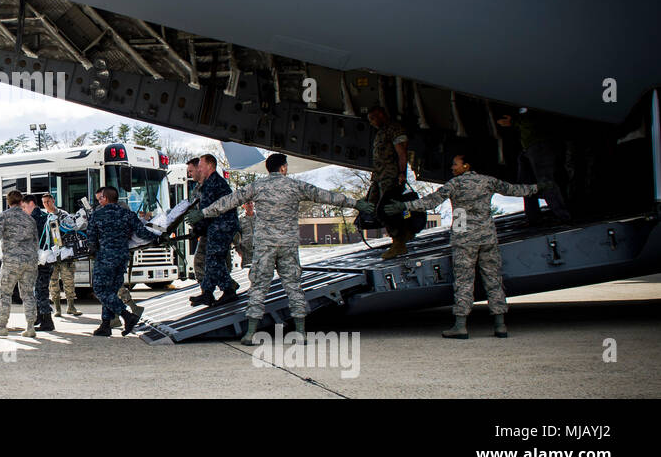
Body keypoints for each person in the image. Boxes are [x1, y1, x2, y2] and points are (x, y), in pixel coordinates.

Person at [201, 154, 376, 344]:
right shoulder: (295, 186)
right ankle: (300, 332)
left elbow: (228, 201)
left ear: (268, 169)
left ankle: (251, 333)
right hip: (288, 245)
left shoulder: (257, 187)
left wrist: (202, 213)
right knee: (294, 287)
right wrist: (356, 203)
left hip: (265, 246)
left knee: (258, 288)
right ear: (283, 168)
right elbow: (326, 196)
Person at [384, 154, 538, 339]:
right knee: (494, 280)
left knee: (464, 282)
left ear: (466, 165)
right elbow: (514, 190)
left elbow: (430, 201)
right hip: (488, 237)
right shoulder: (488, 182)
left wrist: (404, 206)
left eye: (455, 164)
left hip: (464, 238)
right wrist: (538, 188)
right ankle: (500, 325)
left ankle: (460, 326)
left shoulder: (455, 184)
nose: (451, 167)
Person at [86, 186, 162, 336]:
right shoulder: (127, 214)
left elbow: (91, 238)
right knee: (112, 290)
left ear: (106, 198)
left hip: (106, 256)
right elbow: (142, 232)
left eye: (100, 198)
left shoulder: (98, 214)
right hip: (122, 256)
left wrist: (92, 250)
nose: (99, 201)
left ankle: (127, 316)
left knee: (100, 289)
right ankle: (106, 324)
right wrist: (157, 238)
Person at [497, 109, 571, 225]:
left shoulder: (530, 109)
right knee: (528, 182)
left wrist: (514, 122)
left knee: (546, 181)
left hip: (538, 143)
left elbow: (534, 119)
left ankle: (563, 216)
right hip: (530, 146)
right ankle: (534, 217)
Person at [0, 190, 40, 337]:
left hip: (11, 261)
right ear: (21, 201)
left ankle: (3, 326)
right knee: (28, 294)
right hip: (30, 261)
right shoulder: (30, 219)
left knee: (5, 293)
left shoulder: (4, 216)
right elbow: (36, 242)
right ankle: (30, 327)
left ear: (8, 201)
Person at [189, 154, 240, 307]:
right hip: (219, 226)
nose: (199, 169)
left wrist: (197, 229)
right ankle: (208, 293)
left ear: (210, 166)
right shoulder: (213, 182)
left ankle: (227, 290)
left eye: (201, 166)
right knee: (213, 260)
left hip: (221, 227)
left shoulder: (213, 184)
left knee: (214, 260)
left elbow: (207, 212)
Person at [367, 106, 412, 258]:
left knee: (387, 209)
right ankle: (399, 236)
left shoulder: (394, 129)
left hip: (391, 177)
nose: (372, 122)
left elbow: (402, 153)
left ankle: (399, 242)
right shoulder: (381, 132)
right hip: (380, 177)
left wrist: (401, 174)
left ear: (381, 115)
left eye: (373, 118)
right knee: (372, 207)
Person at [41, 194, 82, 317]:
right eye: (44, 202)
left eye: (48, 201)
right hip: (51, 255)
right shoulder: (45, 217)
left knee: (68, 281)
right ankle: (57, 308)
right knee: (53, 282)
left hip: (65, 254)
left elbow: (72, 229)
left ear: (53, 201)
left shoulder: (63, 214)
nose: (46, 204)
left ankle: (71, 306)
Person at [27, 194, 55, 332]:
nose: (24, 210)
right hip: (47, 258)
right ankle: (40, 317)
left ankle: (47, 321)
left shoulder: (33, 219)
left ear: (31, 204)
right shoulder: (46, 216)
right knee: (38, 289)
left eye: (25, 207)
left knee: (40, 291)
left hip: (39, 260)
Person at [234, 201, 255, 269]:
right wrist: (238, 249)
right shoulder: (240, 219)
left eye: (251, 203)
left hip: (260, 249)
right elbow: (236, 235)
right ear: (243, 206)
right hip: (246, 251)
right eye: (248, 203)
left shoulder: (260, 217)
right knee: (247, 270)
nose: (250, 205)